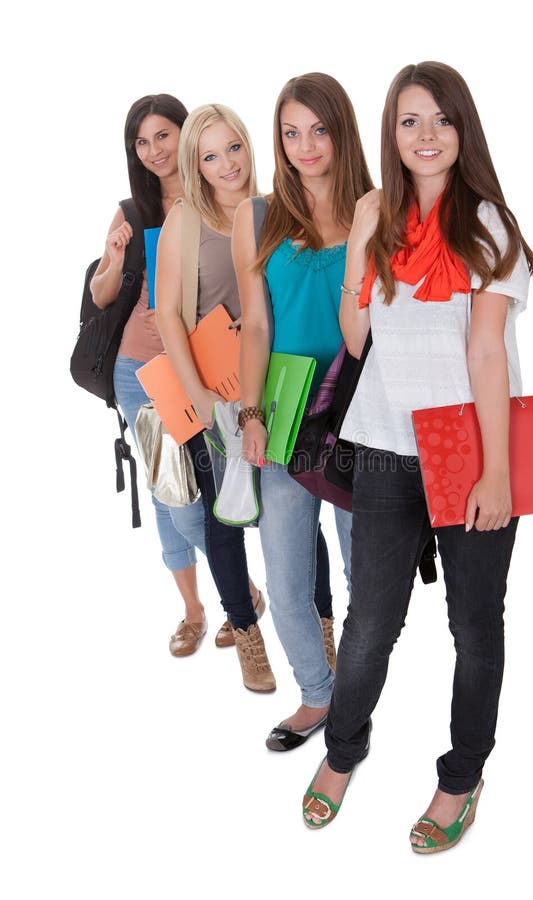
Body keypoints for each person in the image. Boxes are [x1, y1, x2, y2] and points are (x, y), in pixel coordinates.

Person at [302, 61, 533, 853]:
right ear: (391, 135)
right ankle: (342, 751)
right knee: (370, 623)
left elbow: (486, 355)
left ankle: (462, 776)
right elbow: (359, 337)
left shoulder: (491, 227)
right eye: (409, 121)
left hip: (469, 442)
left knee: (474, 626)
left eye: (440, 119)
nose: (425, 136)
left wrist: (497, 471)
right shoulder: (382, 220)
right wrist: (363, 240)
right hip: (384, 443)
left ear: (462, 128)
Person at [90, 94, 265, 659]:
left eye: (164, 135)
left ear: (188, 136)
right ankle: (195, 608)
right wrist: (114, 260)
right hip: (137, 369)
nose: (154, 150)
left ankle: (242, 593)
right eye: (142, 142)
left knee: (196, 498)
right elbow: (100, 296)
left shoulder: (215, 195)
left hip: (202, 365)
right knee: (165, 493)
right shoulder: (133, 211)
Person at [232, 74, 374, 747]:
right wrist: (251, 413)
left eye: (318, 129)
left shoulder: (378, 211)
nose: (305, 145)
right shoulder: (255, 216)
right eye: (291, 132)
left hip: (358, 414)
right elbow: (255, 326)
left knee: (366, 582)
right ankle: (316, 696)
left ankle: (354, 701)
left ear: (341, 132)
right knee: (287, 582)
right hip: (285, 415)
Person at [155, 103, 279, 690]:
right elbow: (168, 315)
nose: (227, 163)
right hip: (214, 390)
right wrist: (199, 393)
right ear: (195, 165)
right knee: (222, 517)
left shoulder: (278, 207)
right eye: (210, 155)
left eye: (234, 147)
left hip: (273, 384)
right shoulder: (186, 218)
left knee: (287, 508)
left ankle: (321, 628)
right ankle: (247, 636)